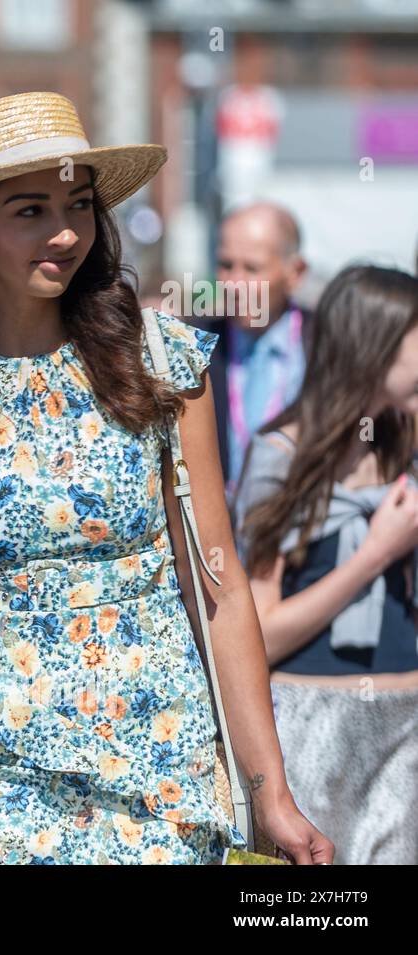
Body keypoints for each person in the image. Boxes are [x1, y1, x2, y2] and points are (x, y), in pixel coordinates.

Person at [0, 91, 330, 864]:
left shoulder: (161, 363)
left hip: (159, 769)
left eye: (79, 204)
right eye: (31, 211)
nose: (66, 232)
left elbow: (219, 584)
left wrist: (270, 788)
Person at [235, 264, 418, 865]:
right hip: (312, 725)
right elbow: (257, 632)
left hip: (407, 727)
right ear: (375, 342)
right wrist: (374, 556)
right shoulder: (281, 454)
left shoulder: (402, 441)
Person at [201, 201, 310, 491]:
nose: (234, 283)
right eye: (226, 265)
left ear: (295, 272)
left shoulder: (327, 348)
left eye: (252, 268)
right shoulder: (194, 345)